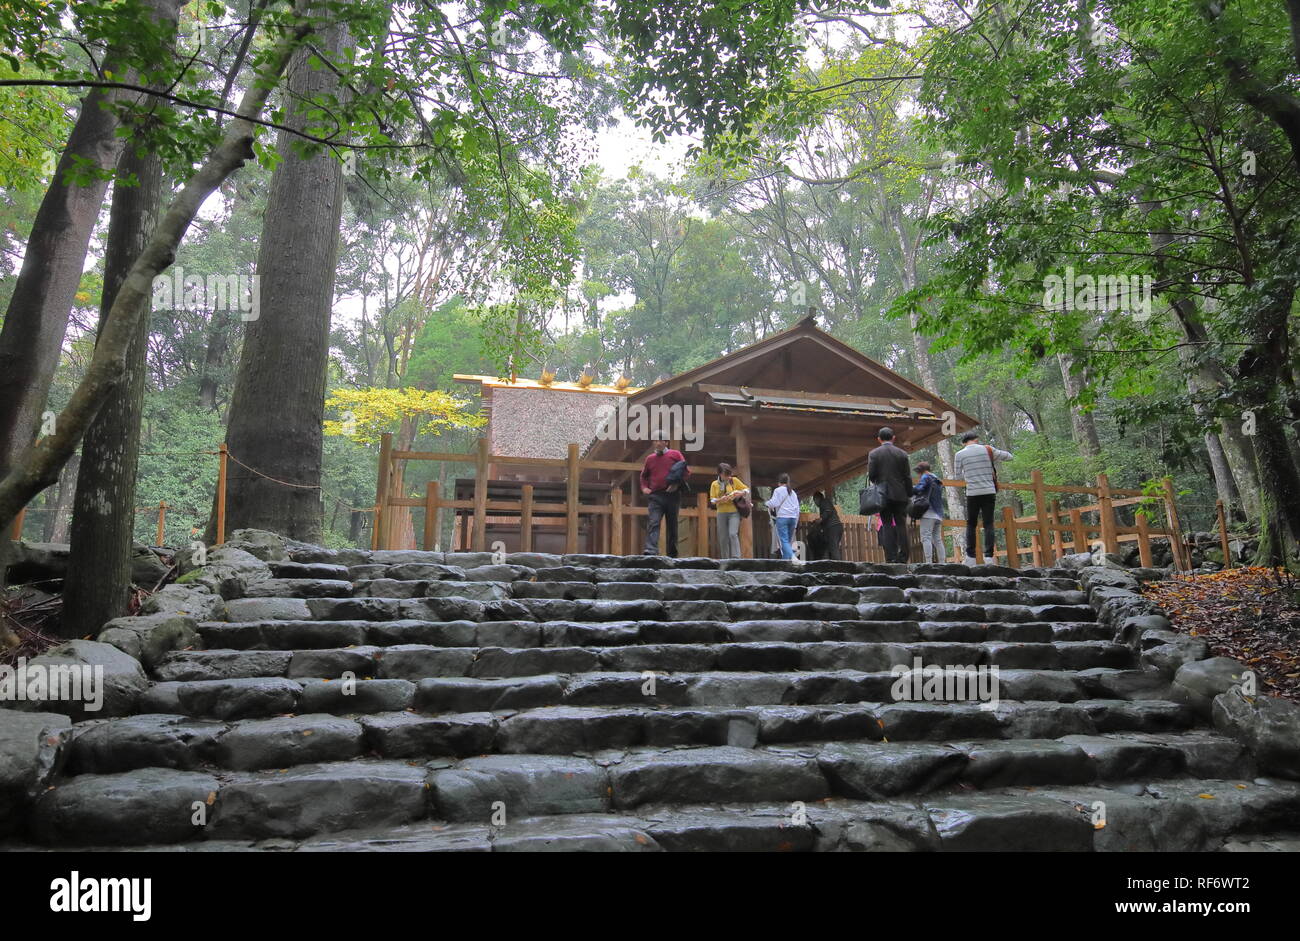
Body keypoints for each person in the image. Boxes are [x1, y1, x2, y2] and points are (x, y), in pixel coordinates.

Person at [954, 430, 1013, 562]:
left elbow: (957, 477)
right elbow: (1009, 456)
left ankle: (970, 557)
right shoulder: (988, 449)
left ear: (964, 443)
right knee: (988, 524)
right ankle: (989, 557)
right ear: (976, 439)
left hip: (972, 493)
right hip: (989, 491)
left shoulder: (960, 454)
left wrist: (968, 473)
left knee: (971, 524)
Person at [866, 426, 912, 563]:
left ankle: (890, 557)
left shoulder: (874, 454)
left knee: (886, 523)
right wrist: (909, 493)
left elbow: (872, 475)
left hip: (883, 494)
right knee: (901, 523)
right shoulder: (902, 454)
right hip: (900, 494)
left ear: (879, 439)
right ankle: (904, 556)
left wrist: (879, 481)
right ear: (893, 438)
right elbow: (907, 476)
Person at [640, 438, 686, 556]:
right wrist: (644, 488)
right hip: (656, 495)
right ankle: (651, 550)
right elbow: (644, 476)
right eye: (655, 441)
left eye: (661, 441)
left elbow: (685, 471)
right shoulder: (650, 459)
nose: (658, 443)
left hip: (673, 495)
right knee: (653, 521)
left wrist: (676, 484)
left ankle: (672, 554)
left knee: (672, 524)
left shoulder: (675, 454)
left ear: (666, 442)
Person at [709, 462, 749, 559]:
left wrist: (739, 493)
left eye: (729, 474)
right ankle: (725, 559)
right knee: (723, 537)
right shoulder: (714, 484)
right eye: (725, 475)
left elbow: (747, 489)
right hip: (721, 513)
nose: (728, 477)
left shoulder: (734, 480)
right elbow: (712, 500)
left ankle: (736, 557)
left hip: (734, 512)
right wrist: (720, 500)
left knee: (732, 533)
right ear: (720, 474)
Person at [913, 461, 944, 563]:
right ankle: (942, 563)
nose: (918, 475)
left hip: (928, 513)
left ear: (921, 471)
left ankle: (929, 562)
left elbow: (918, 489)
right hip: (939, 514)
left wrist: (909, 489)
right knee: (938, 540)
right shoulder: (937, 479)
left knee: (926, 537)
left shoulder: (925, 477)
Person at [766, 473, 800, 560]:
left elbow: (774, 503)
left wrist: (766, 503)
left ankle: (793, 557)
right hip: (793, 519)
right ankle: (785, 563)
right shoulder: (793, 492)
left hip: (783, 518)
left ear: (779, 482)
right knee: (787, 542)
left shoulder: (778, 490)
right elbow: (797, 509)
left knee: (784, 542)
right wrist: (796, 524)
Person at [812, 491, 843, 560]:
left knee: (833, 548)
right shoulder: (825, 503)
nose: (815, 503)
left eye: (814, 500)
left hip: (833, 527)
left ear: (817, 498)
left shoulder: (824, 502)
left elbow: (828, 512)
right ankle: (833, 563)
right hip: (836, 527)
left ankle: (838, 565)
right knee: (832, 547)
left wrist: (820, 519)